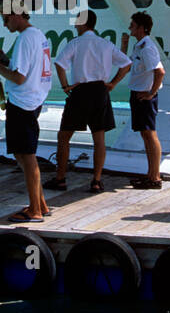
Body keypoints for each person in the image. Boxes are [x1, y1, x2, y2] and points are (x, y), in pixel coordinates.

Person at [45, 10, 132, 193]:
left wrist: (65, 86)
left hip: (80, 90)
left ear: (83, 23)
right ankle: (96, 180)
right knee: (98, 138)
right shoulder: (105, 44)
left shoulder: (76, 43)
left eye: (77, 22)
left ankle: (60, 178)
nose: (75, 25)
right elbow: (126, 64)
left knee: (64, 136)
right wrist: (113, 83)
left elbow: (60, 64)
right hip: (100, 90)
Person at [0, 0, 54, 222]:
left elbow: (19, 77)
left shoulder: (24, 39)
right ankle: (40, 203)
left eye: (5, 19)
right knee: (21, 154)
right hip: (34, 100)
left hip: (23, 103)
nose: (5, 25)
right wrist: (5, 60)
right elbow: (26, 68)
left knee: (26, 156)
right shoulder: (38, 35)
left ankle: (34, 210)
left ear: (16, 15)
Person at [126, 12, 166, 190]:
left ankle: (155, 177)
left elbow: (160, 72)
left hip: (144, 96)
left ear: (141, 28)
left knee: (150, 134)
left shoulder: (147, 47)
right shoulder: (139, 46)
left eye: (133, 25)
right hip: (138, 94)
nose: (130, 28)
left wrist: (151, 93)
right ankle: (151, 174)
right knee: (145, 134)